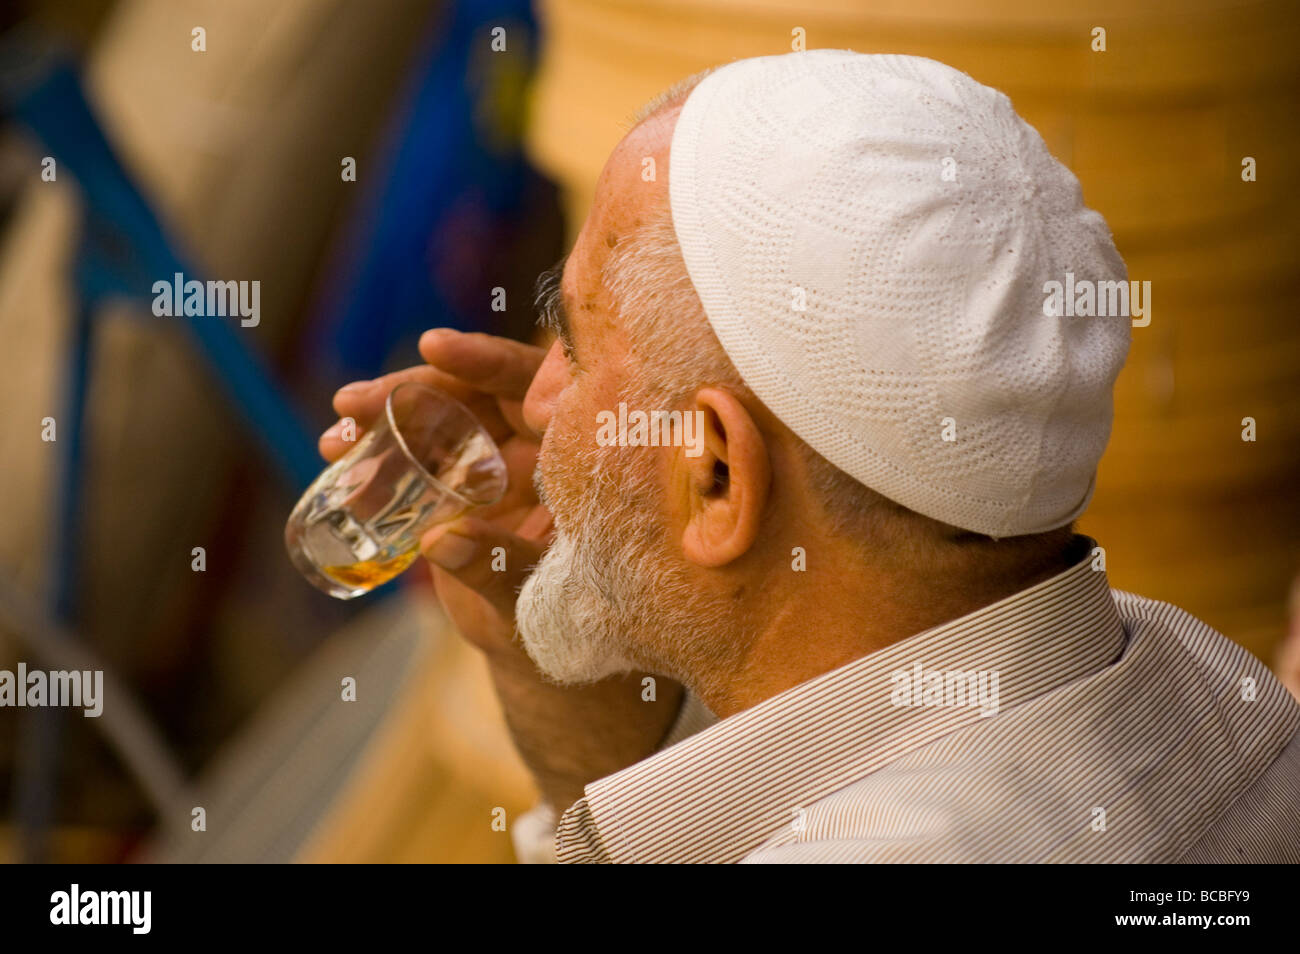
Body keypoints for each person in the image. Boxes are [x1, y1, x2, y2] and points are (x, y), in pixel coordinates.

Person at [319, 51, 1300, 863]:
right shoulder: (1210, 686)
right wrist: (552, 660)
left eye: (572, 344)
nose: (536, 400)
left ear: (714, 476)